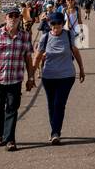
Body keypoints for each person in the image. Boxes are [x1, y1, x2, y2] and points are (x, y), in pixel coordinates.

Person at [0, 7, 34, 151]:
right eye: (10, 15)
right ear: (5, 18)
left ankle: (10, 139)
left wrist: (30, 78)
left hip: (15, 80)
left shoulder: (25, 36)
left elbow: (28, 58)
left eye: (16, 16)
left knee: (12, 108)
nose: (13, 18)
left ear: (20, 18)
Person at [34, 12, 85, 145]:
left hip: (66, 76)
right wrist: (30, 76)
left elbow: (76, 51)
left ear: (63, 23)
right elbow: (37, 56)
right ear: (49, 24)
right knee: (51, 104)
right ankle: (54, 130)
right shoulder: (45, 38)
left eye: (59, 23)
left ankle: (56, 132)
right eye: (53, 24)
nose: (56, 26)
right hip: (48, 76)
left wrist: (81, 69)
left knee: (59, 103)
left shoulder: (68, 35)